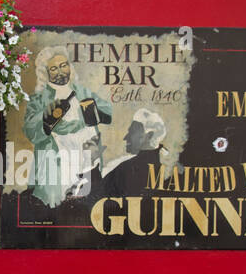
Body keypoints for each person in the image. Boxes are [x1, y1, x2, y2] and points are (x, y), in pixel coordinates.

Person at [21, 47, 112, 208]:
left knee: (88, 207)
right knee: (59, 209)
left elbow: (107, 111)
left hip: (86, 160)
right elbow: (30, 131)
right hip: (57, 163)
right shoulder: (39, 99)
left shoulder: (83, 92)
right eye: (54, 68)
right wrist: (45, 118)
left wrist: (95, 113)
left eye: (64, 65)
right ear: (45, 73)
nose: (60, 71)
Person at [102, 107, 167, 198]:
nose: (125, 137)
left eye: (131, 132)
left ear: (149, 136)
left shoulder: (125, 169)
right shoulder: (166, 171)